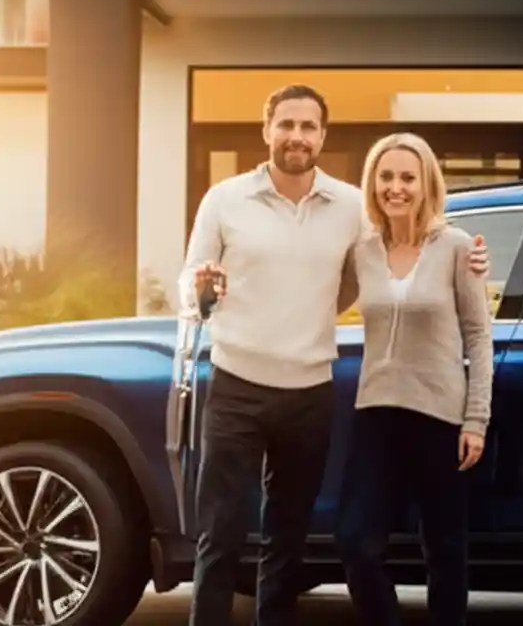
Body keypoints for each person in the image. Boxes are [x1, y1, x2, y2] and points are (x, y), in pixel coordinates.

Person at [179, 85, 488, 626]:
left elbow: (408, 240)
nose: (296, 136)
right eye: (286, 124)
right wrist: (203, 291)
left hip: (310, 391)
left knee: (288, 538)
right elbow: (193, 285)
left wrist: (472, 251)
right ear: (266, 129)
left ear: (322, 136)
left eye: (308, 127)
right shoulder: (224, 200)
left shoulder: (350, 207)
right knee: (221, 534)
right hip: (238, 384)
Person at [335, 132, 494, 626]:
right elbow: (319, 303)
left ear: (427, 184)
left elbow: (478, 336)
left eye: (407, 177)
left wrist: (476, 420)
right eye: (386, 177)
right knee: (355, 540)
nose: (396, 187)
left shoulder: (457, 248)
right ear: (372, 183)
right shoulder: (361, 251)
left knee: (444, 549)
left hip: (440, 416)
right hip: (376, 412)